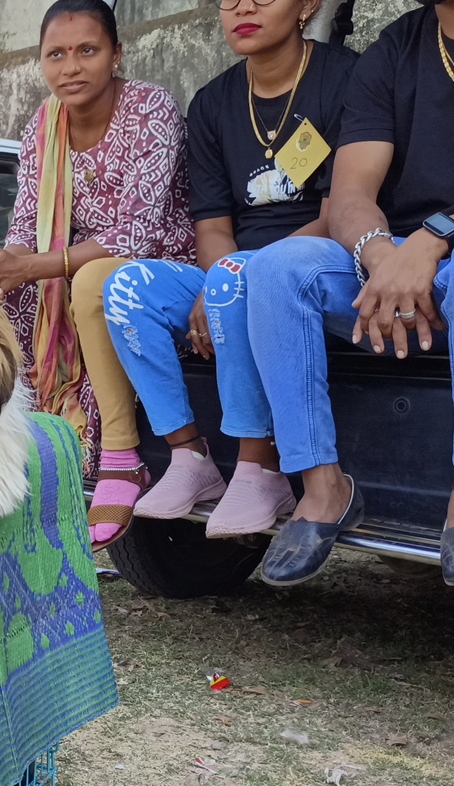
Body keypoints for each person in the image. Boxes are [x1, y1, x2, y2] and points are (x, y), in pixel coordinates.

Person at [246, 0, 454, 587]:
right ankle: (323, 486)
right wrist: (381, 256)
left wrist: (434, 241)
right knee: (277, 268)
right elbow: (353, 189)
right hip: (399, 259)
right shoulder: (398, 47)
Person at [98, 0, 356, 538]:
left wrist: (235, 275)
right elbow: (212, 226)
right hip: (232, 266)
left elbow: (339, 216)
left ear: (307, 5)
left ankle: (259, 467)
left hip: (321, 262)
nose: (243, 7)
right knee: (124, 288)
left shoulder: (345, 77)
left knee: (240, 273)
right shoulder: (213, 101)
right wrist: (219, 279)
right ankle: (189, 456)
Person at [0, 0, 195, 548]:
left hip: (156, 269)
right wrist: (1, 267)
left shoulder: (149, 109)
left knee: (94, 281)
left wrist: (34, 265)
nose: (71, 67)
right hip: (65, 271)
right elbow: (25, 223)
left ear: (116, 54)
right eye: (56, 55)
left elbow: (136, 233)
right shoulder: (42, 126)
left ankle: (119, 455)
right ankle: (5, 442)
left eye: (87, 51)